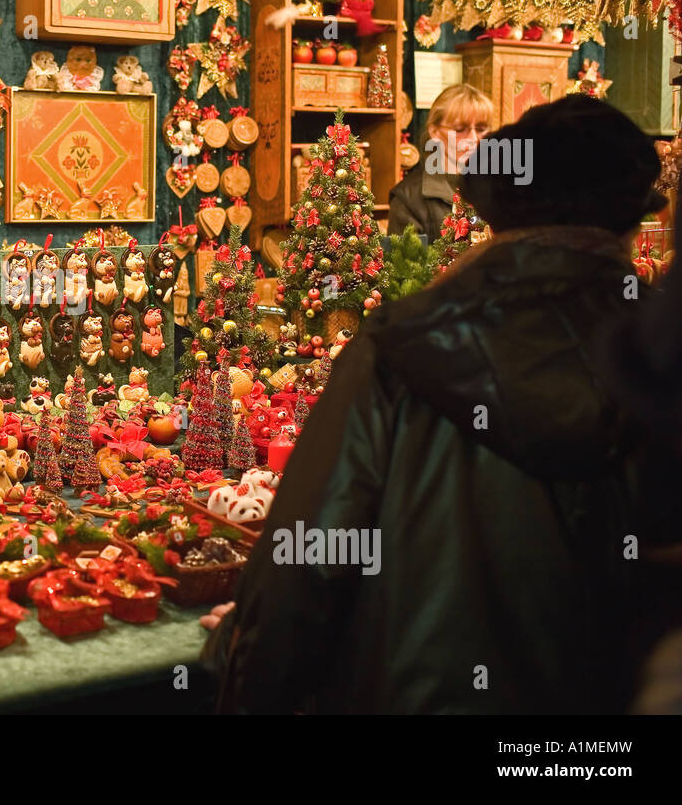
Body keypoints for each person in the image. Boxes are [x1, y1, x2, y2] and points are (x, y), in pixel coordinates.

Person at [202, 95, 679, 714]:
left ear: (496, 212)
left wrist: (241, 660)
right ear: (631, 223)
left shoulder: (399, 343)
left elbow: (313, 552)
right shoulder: (661, 356)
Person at [386, 84, 494, 236]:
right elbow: (404, 259)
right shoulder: (408, 200)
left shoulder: (502, 188)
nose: (473, 138)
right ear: (434, 131)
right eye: (459, 129)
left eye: (481, 129)